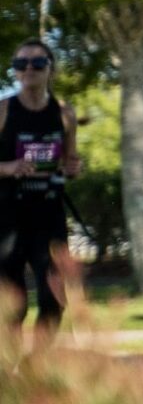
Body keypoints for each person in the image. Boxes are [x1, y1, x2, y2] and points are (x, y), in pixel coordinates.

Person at [0, 38, 82, 339]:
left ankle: (37, 365)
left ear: (51, 69)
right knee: (13, 304)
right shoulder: (4, 110)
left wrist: (74, 168)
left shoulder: (64, 113)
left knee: (53, 297)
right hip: (7, 217)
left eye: (38, 63)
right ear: (15, 72)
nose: (29, 69)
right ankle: (9, 373)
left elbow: (69, 161)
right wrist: (9, 168)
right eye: (21, 64)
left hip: (49, 216)